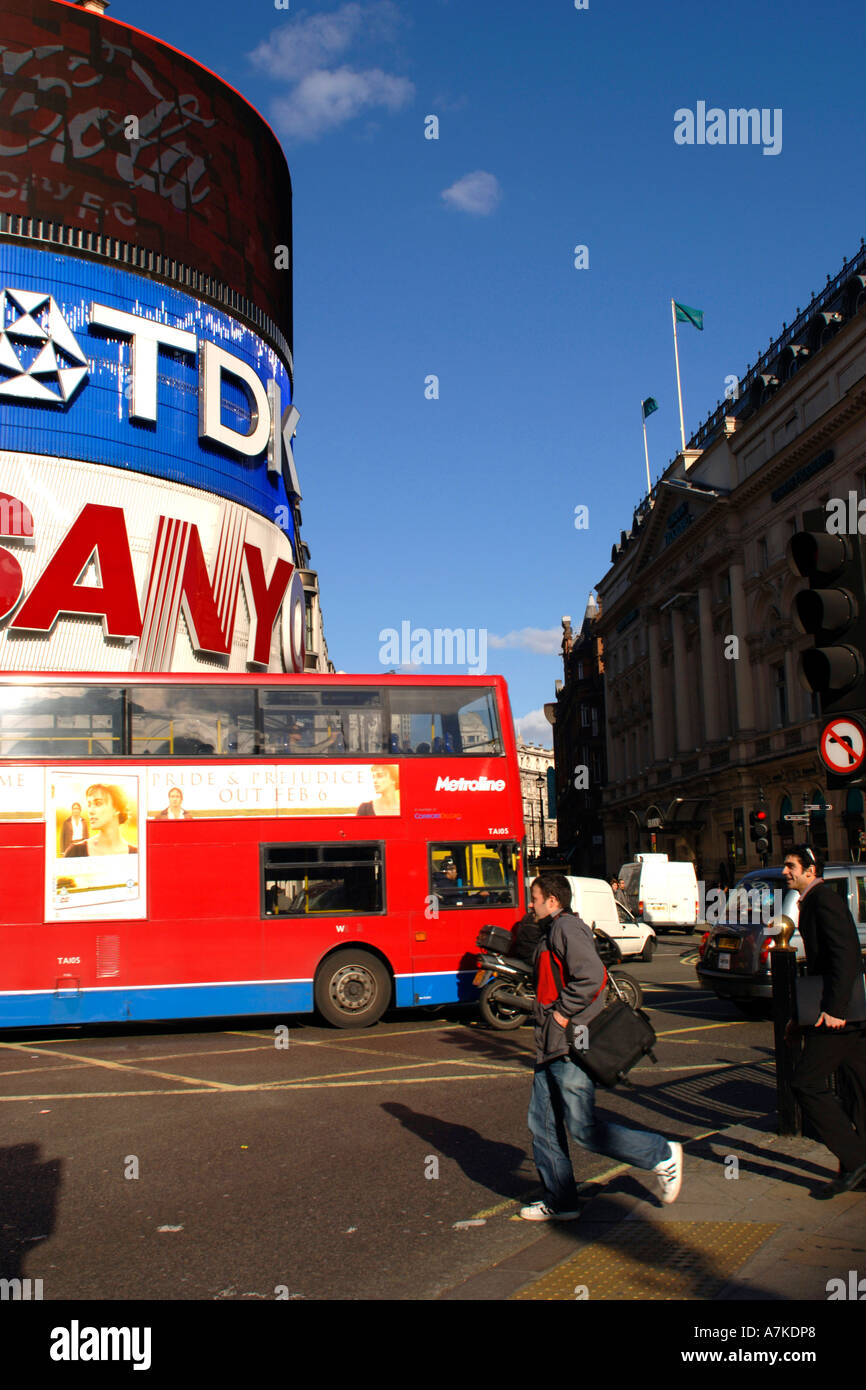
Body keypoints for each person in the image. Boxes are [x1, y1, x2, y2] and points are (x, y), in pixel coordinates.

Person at [519, 872, 682, 1220]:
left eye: (534, 899)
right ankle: (562, 1201)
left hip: (570, 1042)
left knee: (582, 1129)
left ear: (552, 900)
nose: (530, 905)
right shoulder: (551, 929)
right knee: (543, 1124)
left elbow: (590, 976)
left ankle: (660, 1154)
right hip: (550, 1044)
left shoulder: (566, 928)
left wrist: (562, 1015)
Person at [784, 845, 866, 1198]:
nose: (785, 871)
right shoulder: (812, 901)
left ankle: (856, 1158)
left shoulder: (825, 901)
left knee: (806, 1082)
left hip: (840, 1016)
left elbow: (845, 956)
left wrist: (834, 1009)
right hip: (848, 1015)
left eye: (791, 866)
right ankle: (856, 1169)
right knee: (861, 1089)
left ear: (810, 870)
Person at [64, 784, 136, 857]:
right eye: (89, 805)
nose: (90, 811)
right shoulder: (75, 852)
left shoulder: (137, 854)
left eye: (98, 803)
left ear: (117, 808)